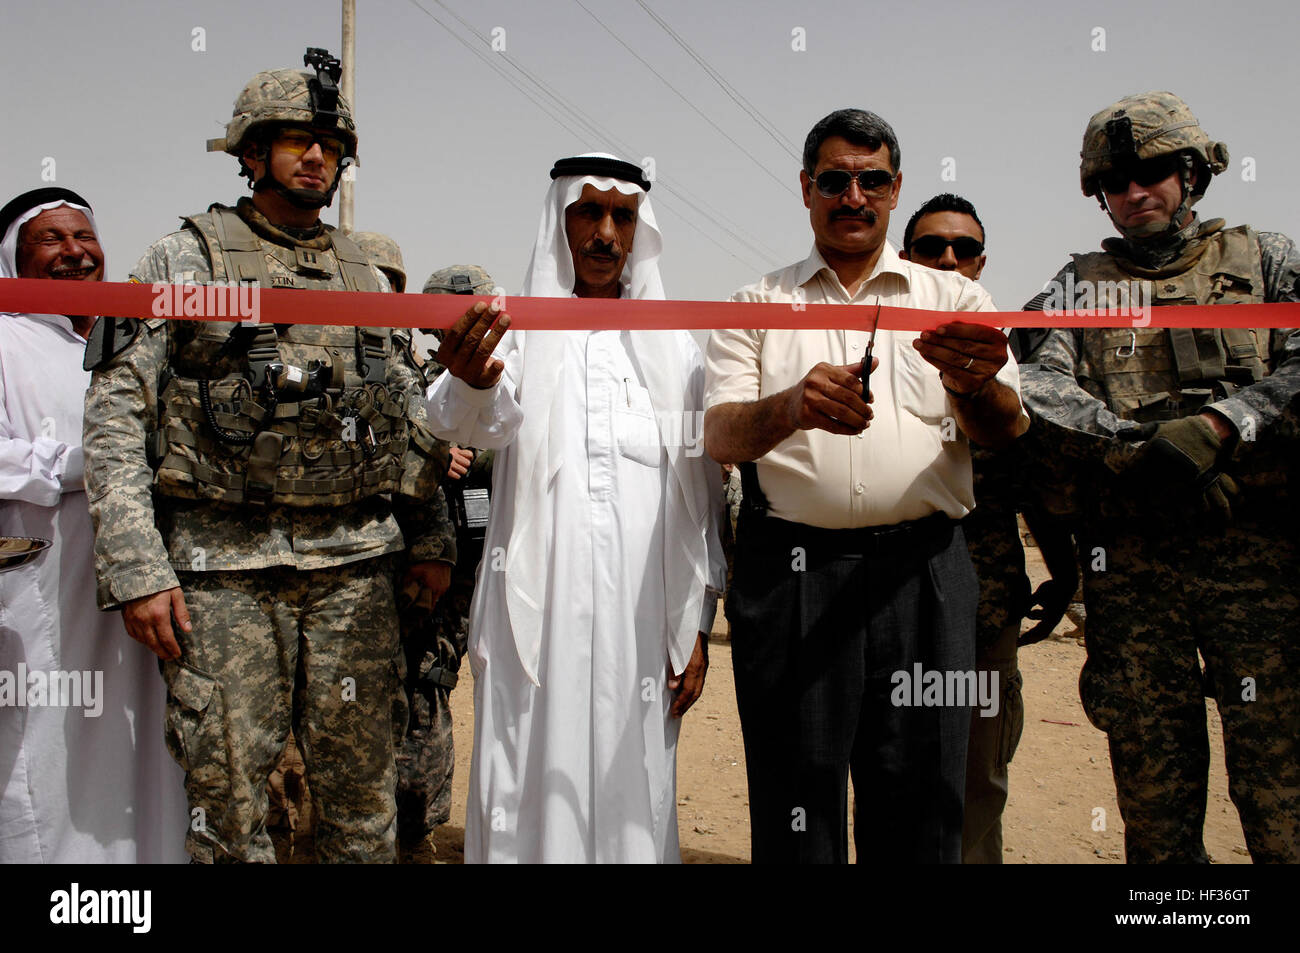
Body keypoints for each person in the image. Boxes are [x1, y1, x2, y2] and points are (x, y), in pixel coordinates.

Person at [81, 49, 454, 863]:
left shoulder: (368, 275)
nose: (315, 155)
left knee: (362, 805)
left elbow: (406, 414)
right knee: (230, 802)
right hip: (223, 571)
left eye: (328, 142)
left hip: (356, 567)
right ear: (252, 153)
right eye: (294, 139)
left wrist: (430, 538)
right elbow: (115, 415)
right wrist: (139, 565)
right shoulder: (186, 258)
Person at [703, 109, 1028, 864]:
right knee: (795, 799)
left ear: (896, 188)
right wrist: (792, 407)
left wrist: (973, 386)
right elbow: (718, 435)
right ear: (807, 190)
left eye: (871, 179)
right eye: (834, 180)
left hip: (926, 578)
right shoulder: (754, 306)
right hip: (792, 579)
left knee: (921, 803)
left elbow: (1007, 428)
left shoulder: (956, 302)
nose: (853, 195)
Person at [1019, 91, 1300, 863]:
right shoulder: (1077, 288)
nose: (1133, 194)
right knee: (1156, 804)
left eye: (1150, 174)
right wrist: (1145, 452)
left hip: (1263, 573)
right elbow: (1039, 393)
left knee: (1283, 793)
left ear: (1192, 174)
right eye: (1114, 183)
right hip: (1135, 575)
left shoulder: (1269, 262)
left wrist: (1218, 428)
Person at [426, 154, 726, 863]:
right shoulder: (519, 331)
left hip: (642, 621)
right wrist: (469, 381)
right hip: (540, 616)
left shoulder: (676, 350)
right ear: (558, 221)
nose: (604, 232)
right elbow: (469, 420)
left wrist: (698, 622)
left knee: (636, 788)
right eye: (587, 212)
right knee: (530, 779)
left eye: (622, 216)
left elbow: (703, 500)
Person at [0, 187, 188, 863]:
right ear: (12, 260)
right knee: (48, 753)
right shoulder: (4, 335)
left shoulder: (127, 338)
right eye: (50, 240)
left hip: (141, 583)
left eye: (84, 236)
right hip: (45, 584)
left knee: (145, 745)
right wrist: (90, 460)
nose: (75, 252)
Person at [899, 193, 1029, 864]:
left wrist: (1061, 561)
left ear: (981, 262)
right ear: (905, 257)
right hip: (894, 598)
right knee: (894, 775)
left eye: (964, 249)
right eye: (930, 248)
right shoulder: (875, 344)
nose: (948, 259)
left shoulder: (1011, 353)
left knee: (975, 778)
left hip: (986, 604)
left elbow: (1029, 460)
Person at [390, 264, 495, 861]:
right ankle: (410, 826)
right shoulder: (413, 381)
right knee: (416, 684)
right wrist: (435, 451)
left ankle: (420, 824)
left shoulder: (505, 379)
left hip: (477, 564)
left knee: (434, 683)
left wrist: (470, 456)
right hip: (416, 567)